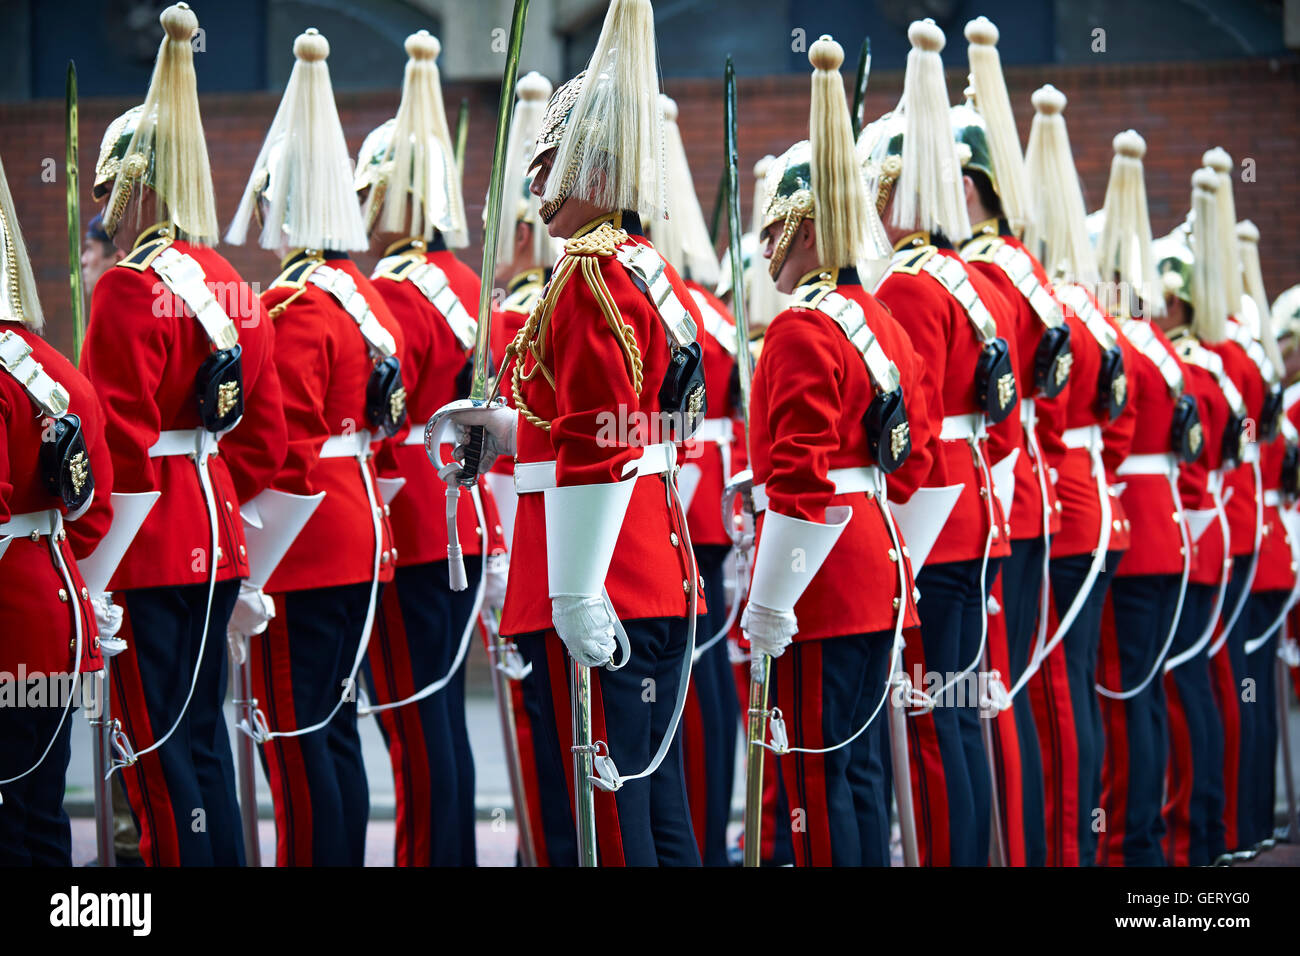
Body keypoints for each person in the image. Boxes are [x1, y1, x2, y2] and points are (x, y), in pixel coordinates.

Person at [438, 0, 704, 866]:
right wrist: (507, 433)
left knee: (601, 821)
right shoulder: (646, 269)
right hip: (654, 563)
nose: (536, 181)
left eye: (547, 161)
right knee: (658, 808)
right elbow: (613, 420)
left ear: (587, 162)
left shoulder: (589, 271)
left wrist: (576, 588)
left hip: (599, 573)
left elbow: (599, 444)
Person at [82, 2, 287, 866]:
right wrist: (213, 498)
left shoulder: (129, 288)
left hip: (148, 548)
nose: (104, 213)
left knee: (158, 765)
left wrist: (86, 563)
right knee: (203, 746)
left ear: (139, 186)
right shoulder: (231, 283)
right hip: (216, 539)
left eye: (110, 192)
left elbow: (114, 450)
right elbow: (264, 438)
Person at [743, 34, 935, 866]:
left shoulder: (799, 329)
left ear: (812, 225)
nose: (768, 246)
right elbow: (917, 463)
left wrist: (770, 597)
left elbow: (796, 477)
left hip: (815, 570)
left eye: (780, 225)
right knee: (856, 773)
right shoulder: (885, 321)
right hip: (878, 561)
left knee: (817, 776)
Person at [225, 26, 404, 867]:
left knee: (295, 738)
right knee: (334, 732)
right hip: (358, 527)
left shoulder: (297, 306)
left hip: (306, 541)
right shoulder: (361, 298)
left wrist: (237, 538)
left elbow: (280, 446)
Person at [859, 18, 1019, 866]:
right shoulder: (957, 272)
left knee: (932, 715)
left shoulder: (915, 285)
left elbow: (907, 418)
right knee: (955, 704)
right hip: (971, 497)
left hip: (931, 512)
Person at [352, 28, 508, 868]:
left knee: (413, 722)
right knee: (440, 714)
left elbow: (376, 412)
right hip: (468, 513)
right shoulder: (469, 285)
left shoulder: (389, 290)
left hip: (413, 520)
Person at [952, 16, 1071, 866]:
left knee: (995, 696)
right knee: (1012, 694)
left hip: (997, 494)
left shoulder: (988, 271)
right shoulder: (1018, 265)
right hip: (1023, 490)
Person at [1019, 83, 1135, 866]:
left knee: (1058, 695)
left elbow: (1047, 423)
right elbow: (1116, 431)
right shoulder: (1098, 311)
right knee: (1078, 689)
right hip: (1102, 505)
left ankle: (1067, 848)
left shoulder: (1057, 311)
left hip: (1064, 508)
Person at [0, 152, 114, 866]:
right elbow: (93, 512)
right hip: (56, 618)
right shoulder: (58, 372)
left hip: (8, 626)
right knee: (39, 808)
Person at [1092, 130, 1199, 867]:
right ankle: (1145, 837)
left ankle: (1133, 844)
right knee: (1147, 693)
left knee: (1126, 697)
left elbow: (1115, 440)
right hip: (1168, 527)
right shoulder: (1158, 342)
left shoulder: (1125, 343)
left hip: (1132, 529)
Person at [654, 93, 742, 866]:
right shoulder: (713, 311)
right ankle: (708, 838)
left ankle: (703, 842)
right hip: (707, 494)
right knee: (707, 679)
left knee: (694, 686)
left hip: (679, 491)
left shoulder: (678, 305)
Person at [1152, 170, 1237, 866]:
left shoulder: (1184, 369)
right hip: (1208, 533)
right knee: (1201, 686)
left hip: (1182, 528)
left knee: (1182, 692)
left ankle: (1189, 839)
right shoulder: (1214, 367)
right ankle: (1207, 830)